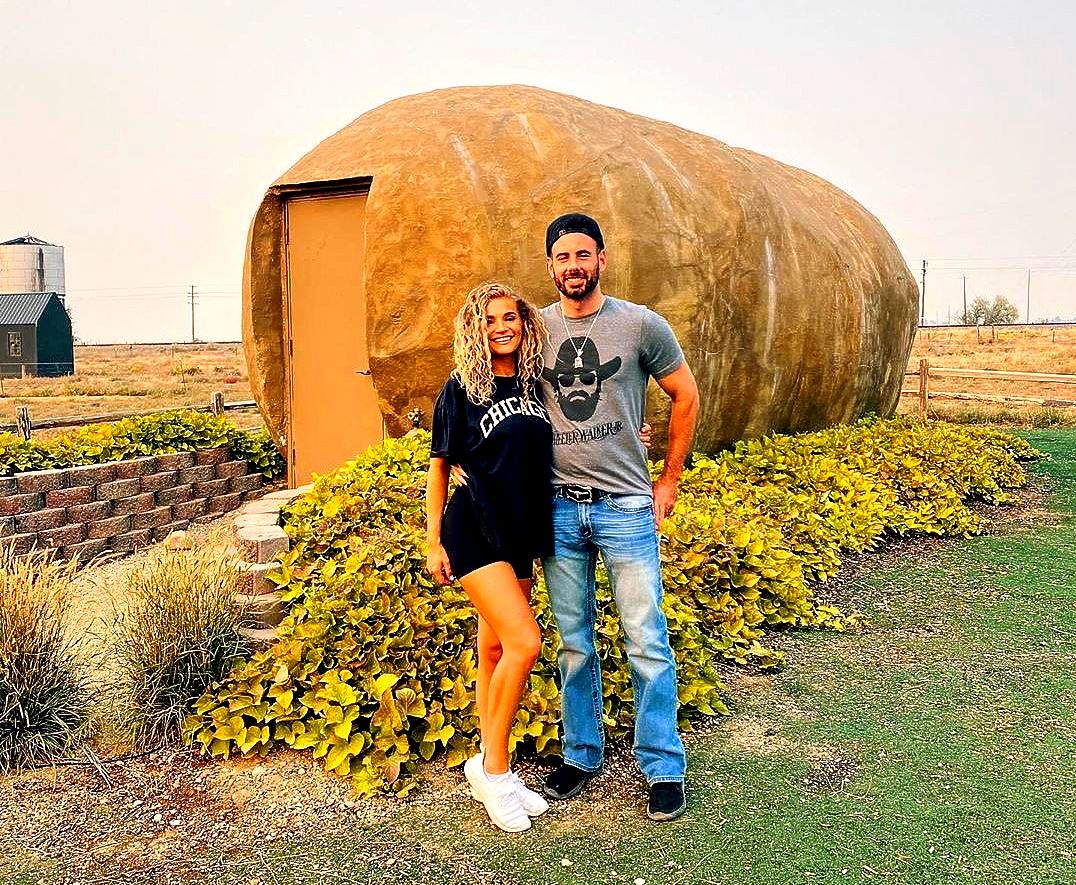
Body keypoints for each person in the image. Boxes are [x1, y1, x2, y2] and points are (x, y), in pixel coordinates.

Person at [537, 212, 700, 822]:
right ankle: (581, 754)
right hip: (557, 507)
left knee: (646, 641)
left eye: (584, 255)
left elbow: (686, 392)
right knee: (574, 643)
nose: (573, 266)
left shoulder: (639, 326)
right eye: (562, 258)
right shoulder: (534, 331)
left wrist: (669, 476)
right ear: (550, 266)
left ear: (602, 259)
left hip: (627, 507)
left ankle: (662, 765)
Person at [425, 282, 554, 833]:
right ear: (474, 328)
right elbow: (438, 465)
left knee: (495, 648)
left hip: (521, 531)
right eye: (490, 319)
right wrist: (432, 539)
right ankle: (495, 769)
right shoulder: (460, 389)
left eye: (511, 317)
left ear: (524, 325)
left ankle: (488, 759)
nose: (502, 326)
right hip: (472, 526)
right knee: (527, 642)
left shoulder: (537, 384)